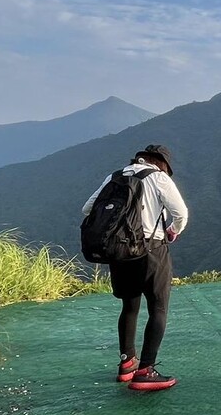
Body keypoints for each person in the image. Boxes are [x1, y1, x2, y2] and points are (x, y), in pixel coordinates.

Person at [81, 144, 189, 391]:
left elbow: (87, 209)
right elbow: (180, 213)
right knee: (158, 308)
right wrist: (172, 231)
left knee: (129, 306)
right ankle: (146, 371)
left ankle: (127, 363)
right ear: (161, 163)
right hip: (152, 249)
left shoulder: (115, 176)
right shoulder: (158, 178)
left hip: (120, 252)